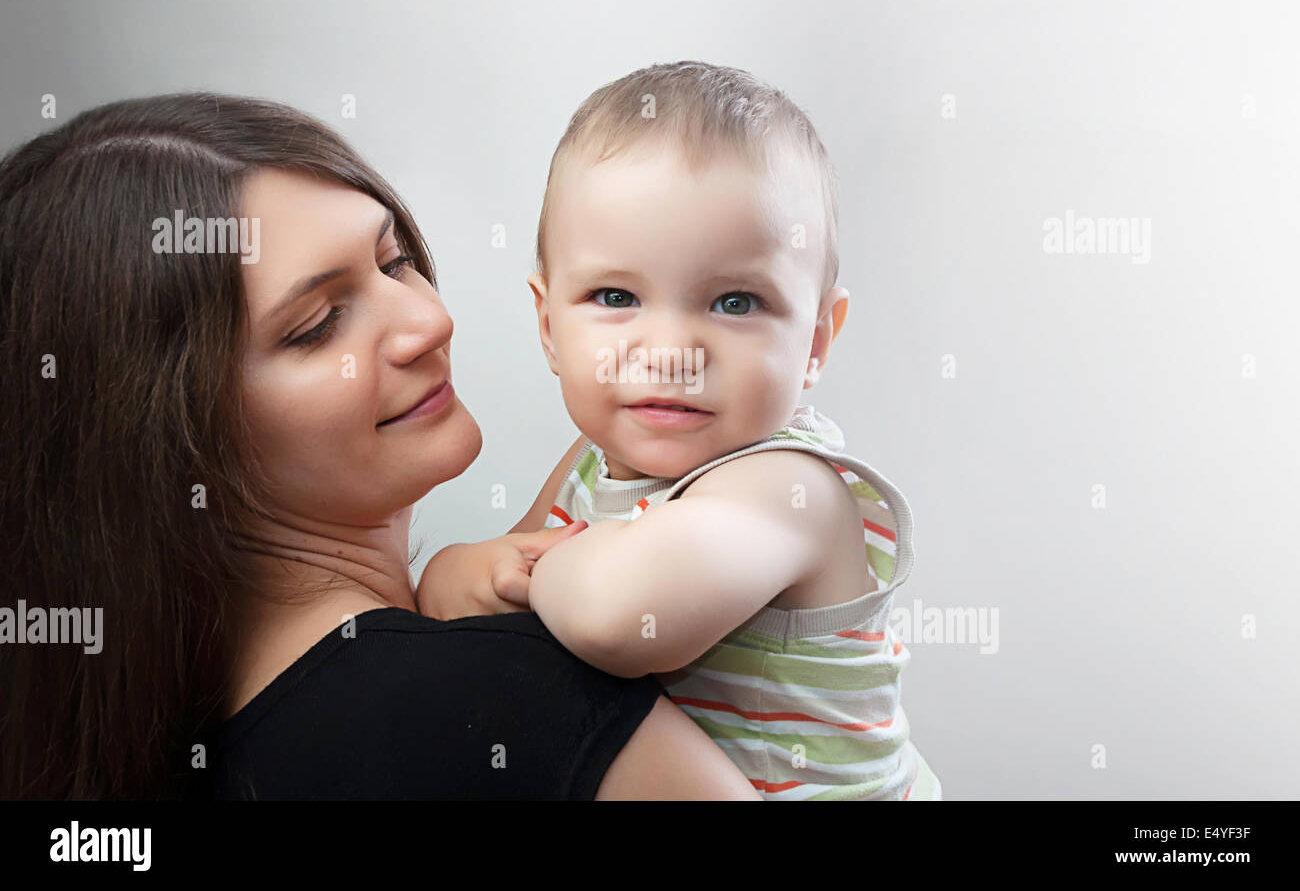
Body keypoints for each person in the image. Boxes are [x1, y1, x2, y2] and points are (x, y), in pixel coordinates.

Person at [0, 93, 759, 800]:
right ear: (169, 436)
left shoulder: (149, 748)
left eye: (394, 261)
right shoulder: (512, 702)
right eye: (317, 324)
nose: (428, 322)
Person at [418, 61, 942, 799]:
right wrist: (457, 566)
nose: (670, 353)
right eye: (615, 295)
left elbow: (618, 616)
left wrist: (525, 574)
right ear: (548, 325)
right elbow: (471, 591)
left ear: (817, 340)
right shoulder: (594, 462)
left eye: (734, 302)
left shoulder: (791, 487)